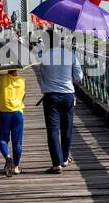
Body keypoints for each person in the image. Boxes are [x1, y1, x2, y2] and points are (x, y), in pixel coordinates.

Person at [33, 32, 82, 173]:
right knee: (67, 128)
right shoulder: (70, 55)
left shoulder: (42, 56)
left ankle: (56, 164)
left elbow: (31, 61)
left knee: (53, 130)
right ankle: (65, 158)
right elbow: (78, 76)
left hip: (51, 97)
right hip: (68, 96)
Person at [0, 68, 25, 176]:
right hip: (18, 114)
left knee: (2, 140)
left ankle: (8, 157)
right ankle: (16, 167)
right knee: (17, 142)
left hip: (4, 114)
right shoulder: (22, 80)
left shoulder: (1, 78)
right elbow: (23, 97)